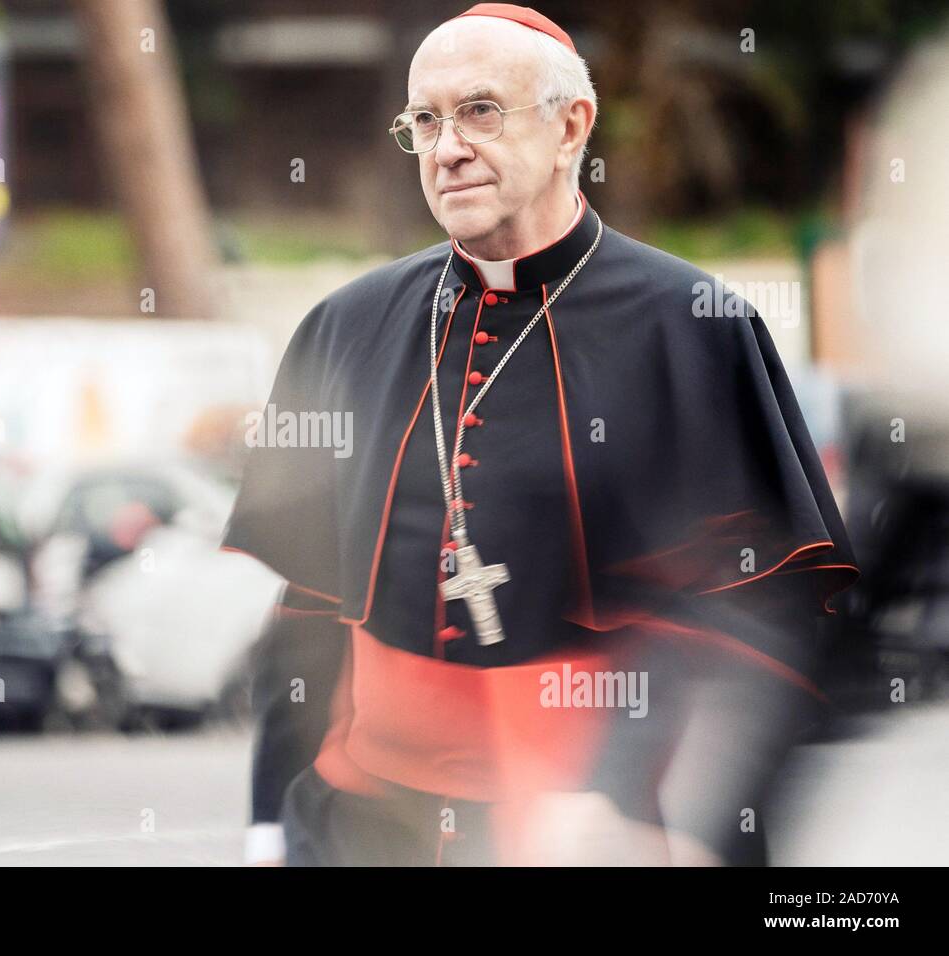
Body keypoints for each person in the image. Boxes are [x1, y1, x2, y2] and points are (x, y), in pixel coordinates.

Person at [221, 3, 858, 866]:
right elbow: (308, 607)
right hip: (367, 823)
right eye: (425, 121)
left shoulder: (692, 327)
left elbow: (761, 614)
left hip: (607, 824)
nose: (447, 148)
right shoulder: (344, 327)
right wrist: (268, 817)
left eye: (481, 110)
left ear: (571, 127)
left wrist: (665, 803)